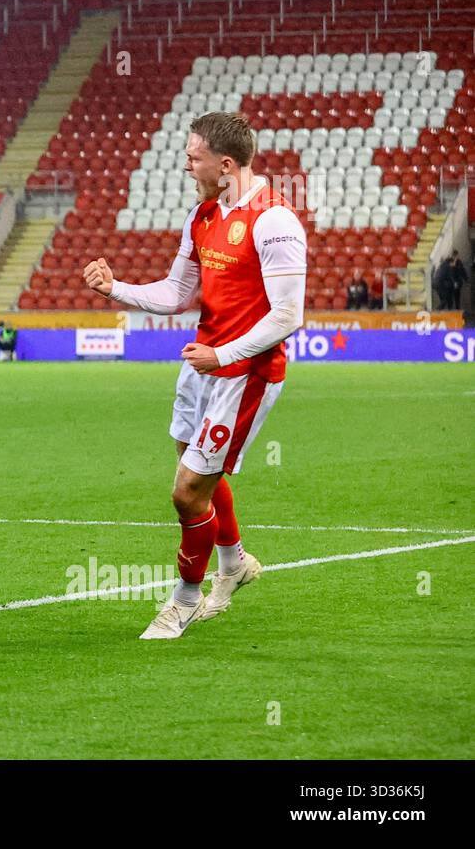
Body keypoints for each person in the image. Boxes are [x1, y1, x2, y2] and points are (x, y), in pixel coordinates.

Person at [83, 111, 306, 640]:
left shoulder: (274, 221)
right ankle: (235, 563)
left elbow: (288, 316)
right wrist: (117, 289)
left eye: (194, 156)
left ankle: (184, 598)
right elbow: (177, 293)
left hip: (245, 371)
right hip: (204, 362)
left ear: (225, 164)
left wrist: (225, 354)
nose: (186, 164)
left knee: (187, 492)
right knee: (195, 467)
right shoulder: (202, 214)